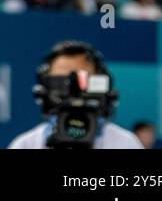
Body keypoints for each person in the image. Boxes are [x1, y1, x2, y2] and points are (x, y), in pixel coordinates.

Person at [8, 41, 142, 150]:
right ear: (43, 89)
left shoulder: (125, 143)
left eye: (81, 79)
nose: (72, 92)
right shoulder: (26, 144)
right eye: (60, 82)